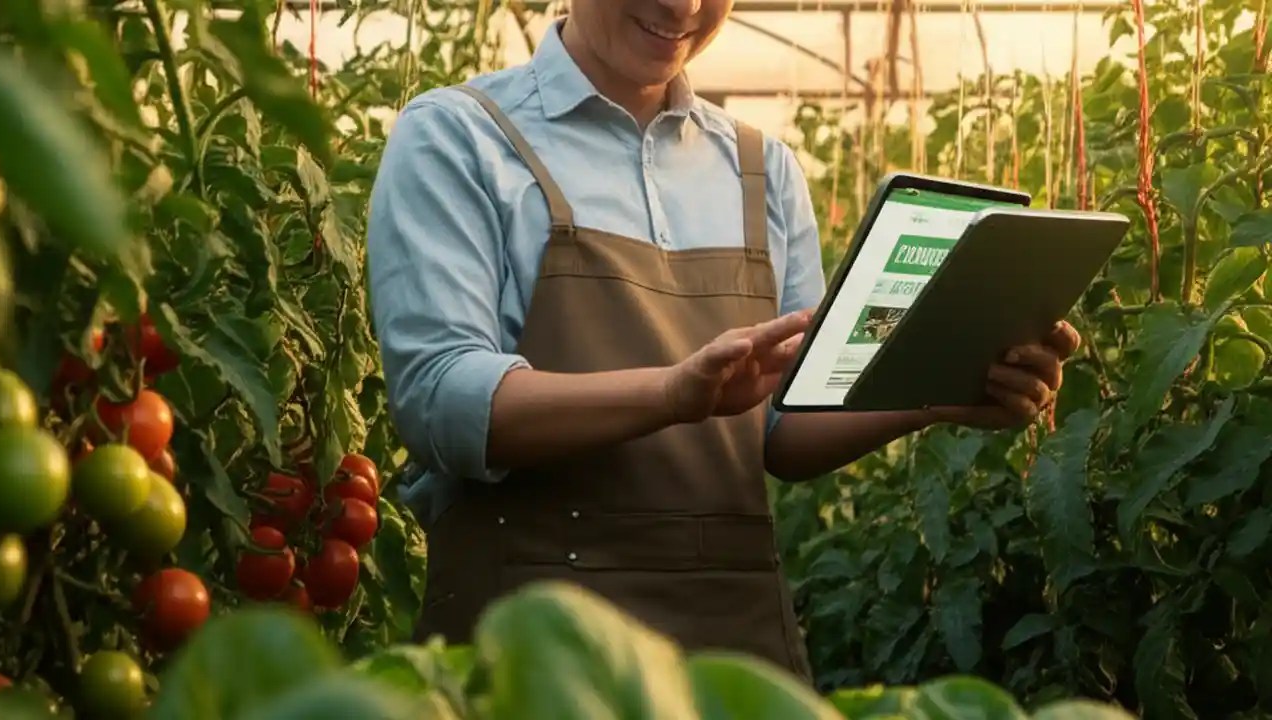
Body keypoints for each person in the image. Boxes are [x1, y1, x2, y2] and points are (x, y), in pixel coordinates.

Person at [366, 0, 1079, 681]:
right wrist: (673, 393)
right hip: (533, 652)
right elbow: (442, 402)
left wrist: (941, 389)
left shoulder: (761, 170)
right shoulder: (459, 137)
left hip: (735, 658)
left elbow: (784, 427)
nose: (682, 8)